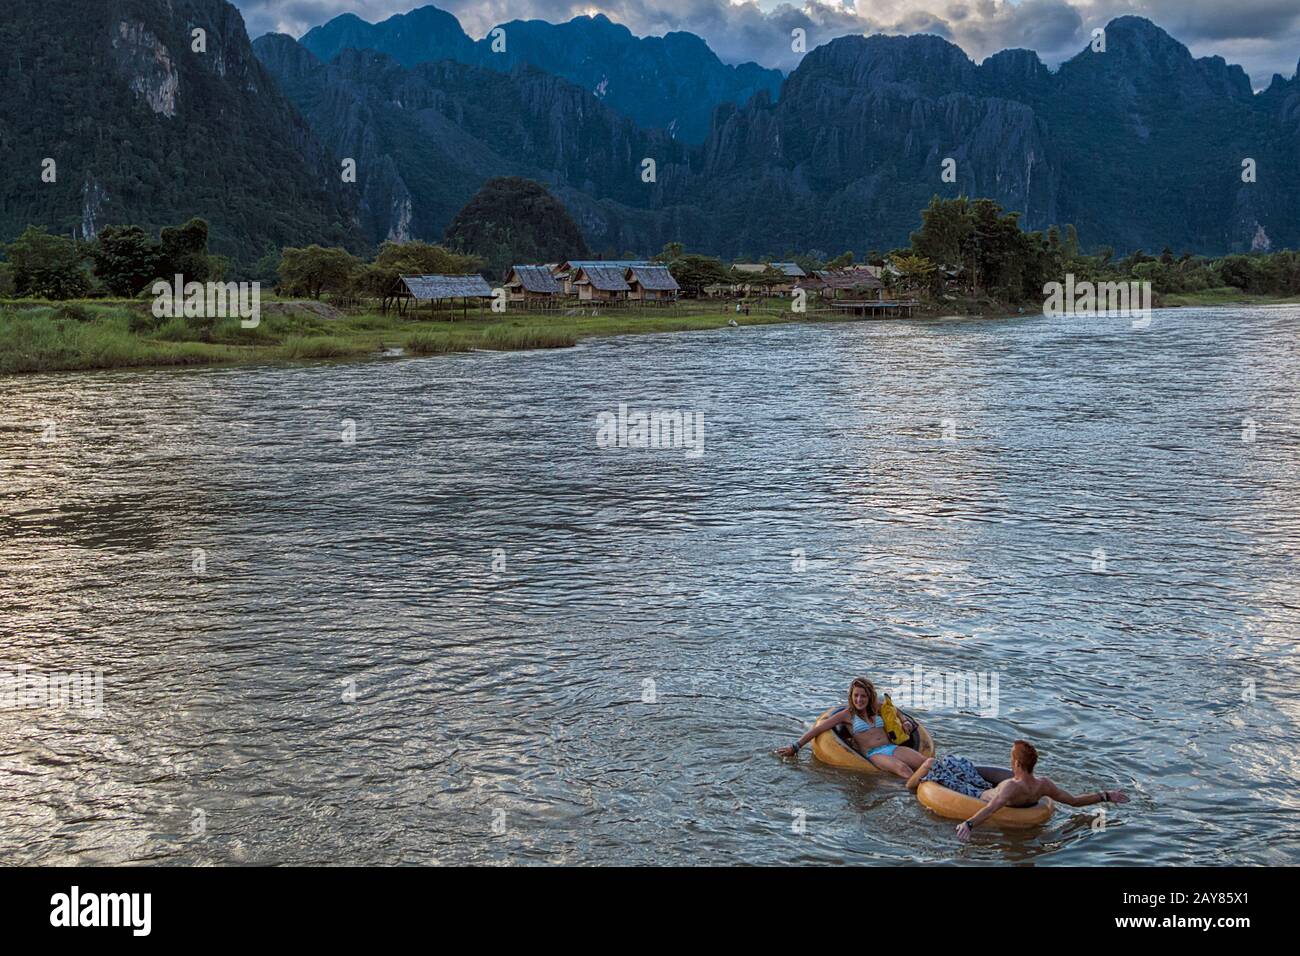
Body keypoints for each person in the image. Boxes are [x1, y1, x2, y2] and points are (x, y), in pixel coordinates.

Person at [905, 740, 1130, 842]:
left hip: (975, 794)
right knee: (961, 765)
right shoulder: (1044, 784)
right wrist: (1105, 796)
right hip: (989, 790)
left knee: (935, 764)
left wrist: (968, 825)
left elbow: (990, 808)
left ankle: (906, 786)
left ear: (1017, 764)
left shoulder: (1012, 787)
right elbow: (1073, 801)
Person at [776, 677, 928, 778]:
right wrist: (795, 747)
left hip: (891, 747)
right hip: (874, 754)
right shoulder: (846, 715)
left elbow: (894, 710)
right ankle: (919, 796)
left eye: (863, 696)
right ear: (851, 696)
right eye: (856, 695)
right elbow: (818, 730)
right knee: (903, 770)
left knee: (927, 762)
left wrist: (904, 721)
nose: (859, 700)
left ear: (869, 697)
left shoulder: (876, 708)